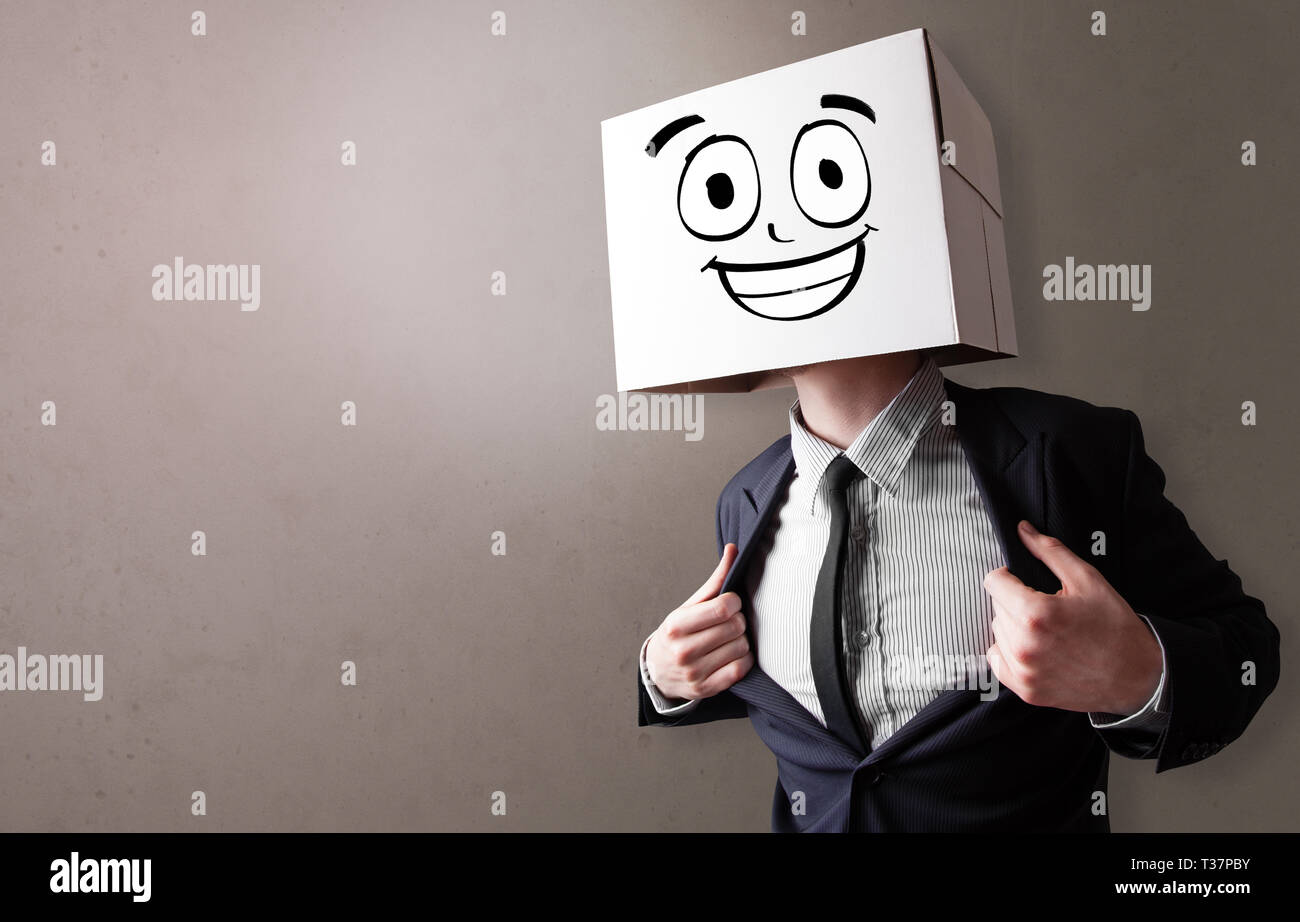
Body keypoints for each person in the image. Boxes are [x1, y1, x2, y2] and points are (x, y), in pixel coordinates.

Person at [637, 348, 1280, 832]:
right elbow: (776, 695)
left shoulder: (1070, 450)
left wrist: (1138, 673)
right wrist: (663, 676)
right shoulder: (744, 495)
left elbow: (1247, 653)